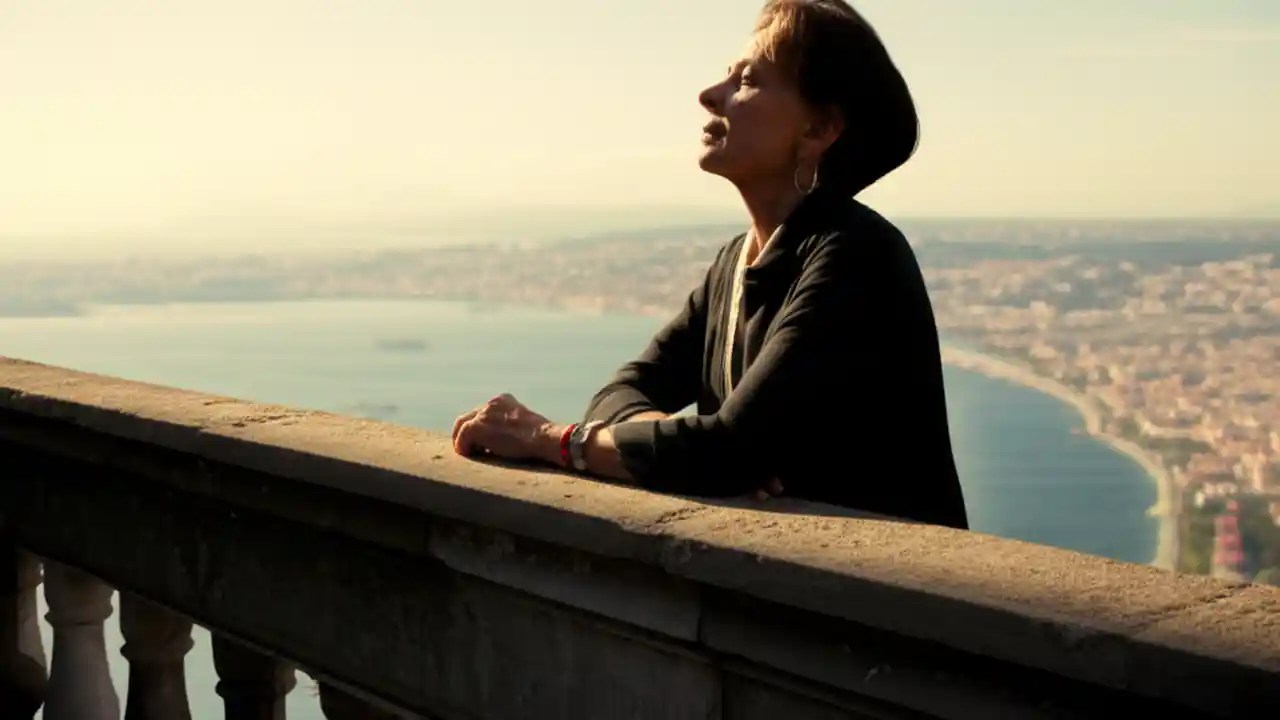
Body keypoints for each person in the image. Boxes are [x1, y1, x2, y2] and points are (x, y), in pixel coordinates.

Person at [452, 0, 968, 530]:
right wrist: (678, 451)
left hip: (875, 606)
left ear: (818, 130)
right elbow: (620, 393)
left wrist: (549, 440)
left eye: (747, 80)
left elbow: (726, 450)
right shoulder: (734, 264)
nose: (709, 96)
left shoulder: (853, 255)